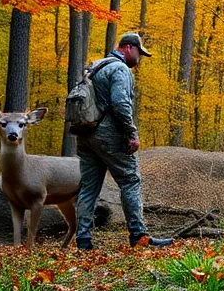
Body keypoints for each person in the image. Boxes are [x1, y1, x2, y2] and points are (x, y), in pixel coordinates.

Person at [74, 32, 174, 251]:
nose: (139, 60)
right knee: (130, 181)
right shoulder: (120, 69)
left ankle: (83, 240)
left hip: (85, 134)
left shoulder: (94, 67)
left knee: (89, 188)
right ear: (128, 48)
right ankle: (138, 236)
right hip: (109, 135)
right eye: (139, 53)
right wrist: (131, 133)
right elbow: (120, 104)